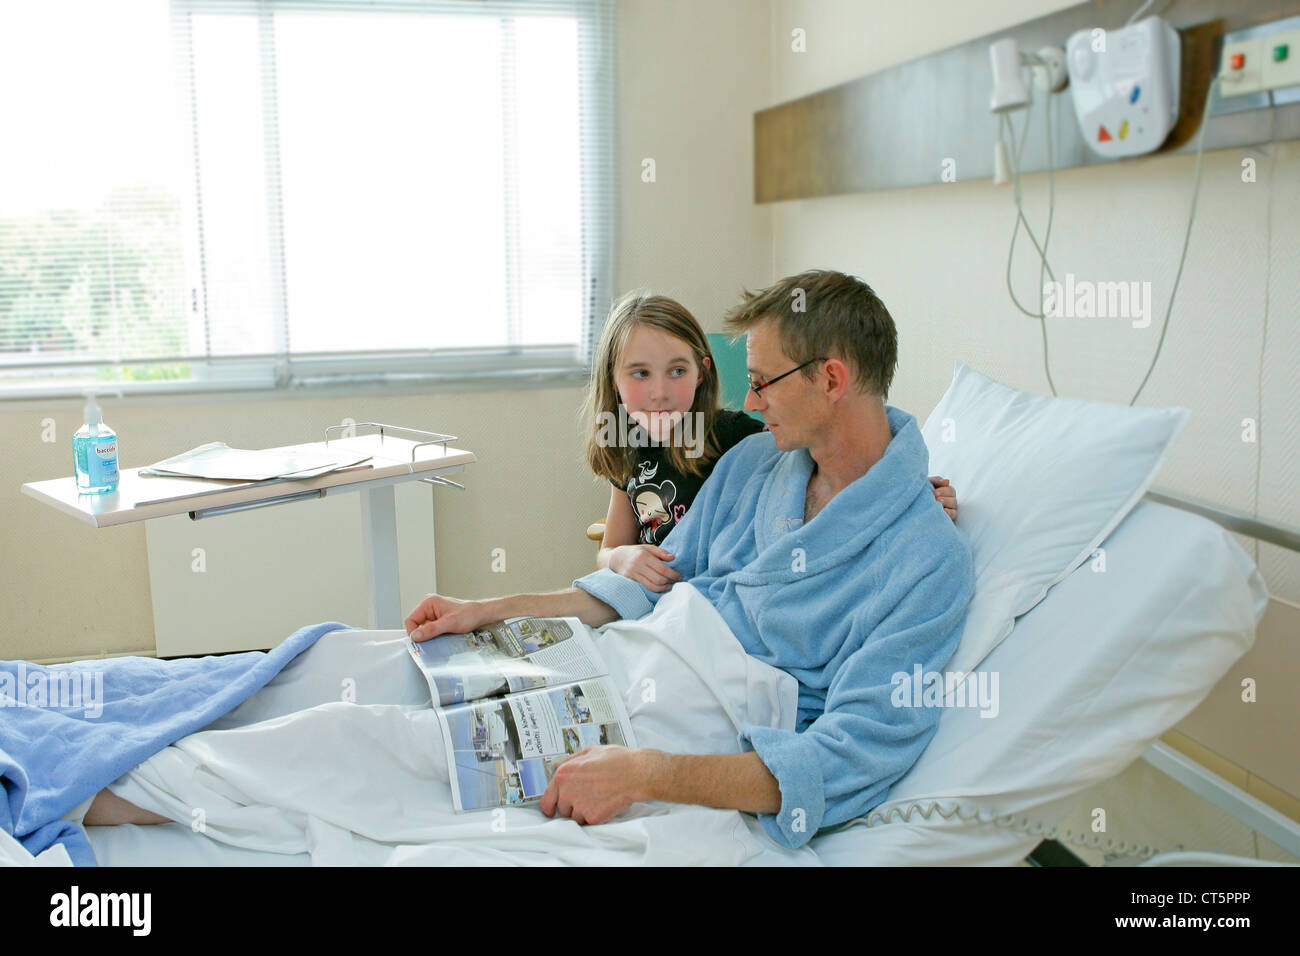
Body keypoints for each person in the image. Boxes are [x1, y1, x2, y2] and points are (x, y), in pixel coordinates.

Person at [84, 269, 974, 853]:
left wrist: (649, 774)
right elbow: (632, 591)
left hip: (689, 718)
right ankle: (98, 716)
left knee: (378, 741)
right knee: (349, 661)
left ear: (831, 380)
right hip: (618, 660)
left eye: (765, 379)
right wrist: (490, 611)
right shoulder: (755, 467)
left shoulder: (925, 562)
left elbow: (850, 757)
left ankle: (88, 788)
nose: (742, 399)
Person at [586, 289, 958, 594]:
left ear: (702, 372)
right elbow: (610, 548)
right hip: (645, 599)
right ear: (613, 379)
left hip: (706, 593)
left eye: (677, 371)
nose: (659, 393)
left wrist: (903, 488)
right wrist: (620, 560)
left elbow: (826, 461)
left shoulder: (734, 436)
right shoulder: (626, 444)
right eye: (640, 374)